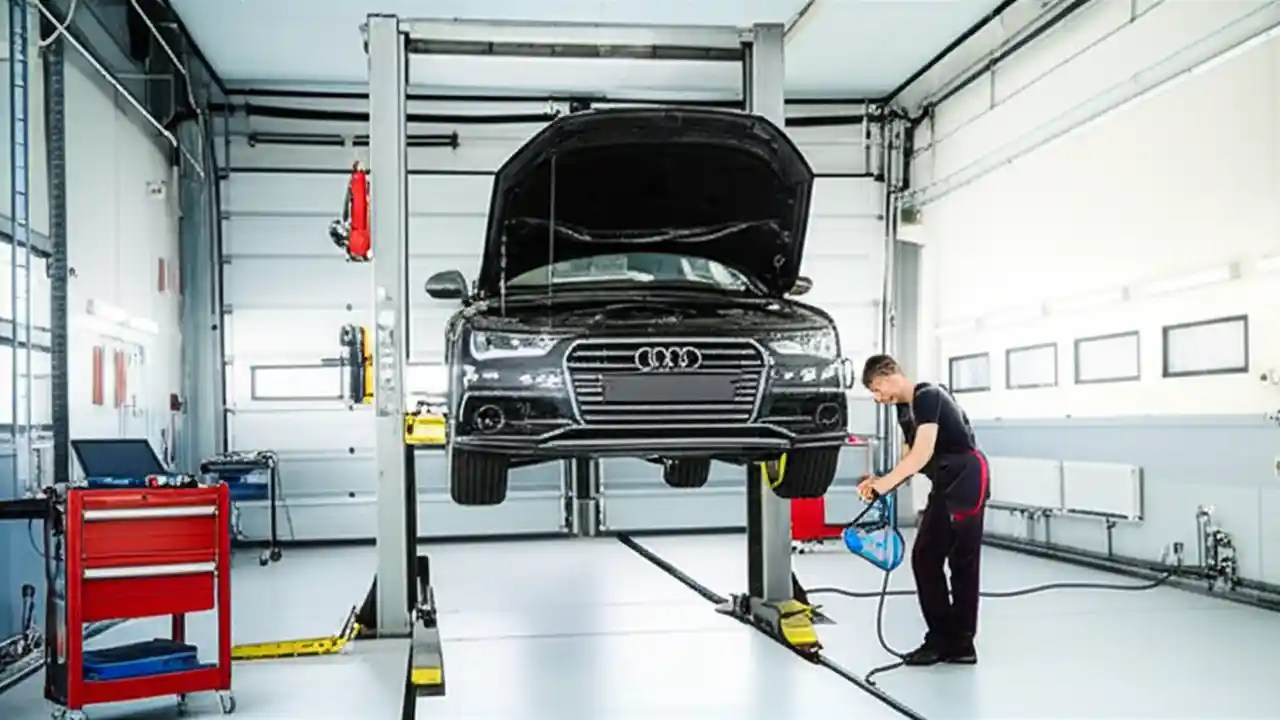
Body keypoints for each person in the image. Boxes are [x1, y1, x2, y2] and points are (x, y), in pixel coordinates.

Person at [856, 354, 991, 666]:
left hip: (967, 478)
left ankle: (960, 644)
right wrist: (878, 481)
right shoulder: (906, 409)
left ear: (890, 375)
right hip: (944, 483)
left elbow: (923, 451)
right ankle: (940, 637)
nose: (878, 398)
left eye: (877, 389)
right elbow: (908, 460)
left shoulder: (928, 396)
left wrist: (885, 485)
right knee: (926, 557)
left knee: (962, 563)